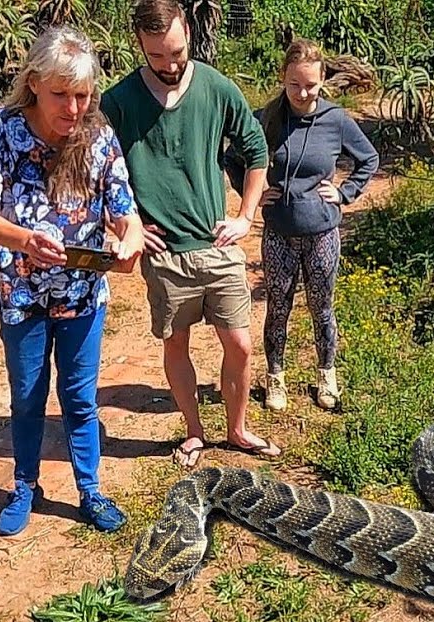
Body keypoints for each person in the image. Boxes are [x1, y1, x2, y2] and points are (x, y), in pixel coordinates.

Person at [0, 26, 145, 536]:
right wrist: (22, 240)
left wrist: (128, 240)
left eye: (83, 96)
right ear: (34, 84)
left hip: (82, 292)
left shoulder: (98, 135)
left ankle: (90, 490)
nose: (73, 108)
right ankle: (25, 486)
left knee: (81, 397)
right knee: (27, 395)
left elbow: (123, 210)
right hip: (19, 291)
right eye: (61, 95)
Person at [100, 0, 281, 468]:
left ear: (189, 35)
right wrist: (128, 225)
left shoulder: (217, 88)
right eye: (157, 56)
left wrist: (245, 216)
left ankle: (237, 429)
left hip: (217, 246)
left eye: (177, 52)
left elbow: (256, 151)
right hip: (164, 257)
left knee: (239, 343)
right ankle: (194, 432)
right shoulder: (118, 103)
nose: (169, 65)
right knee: (175, 343)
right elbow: (95, 171)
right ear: (139, 45)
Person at [227, 39, 379, 411]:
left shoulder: (336, 120)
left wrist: (344, 194)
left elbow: (368, 159)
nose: (302, 92)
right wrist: (254, 194)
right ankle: (275, 378)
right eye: (294, 84)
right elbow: (233, 157)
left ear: (323, 78)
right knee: (278, 307)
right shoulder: (266, 118)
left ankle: (327, 374)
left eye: (310, 84)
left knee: (321, 308)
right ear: (283, 77)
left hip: (322, 234)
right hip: (278, 233)